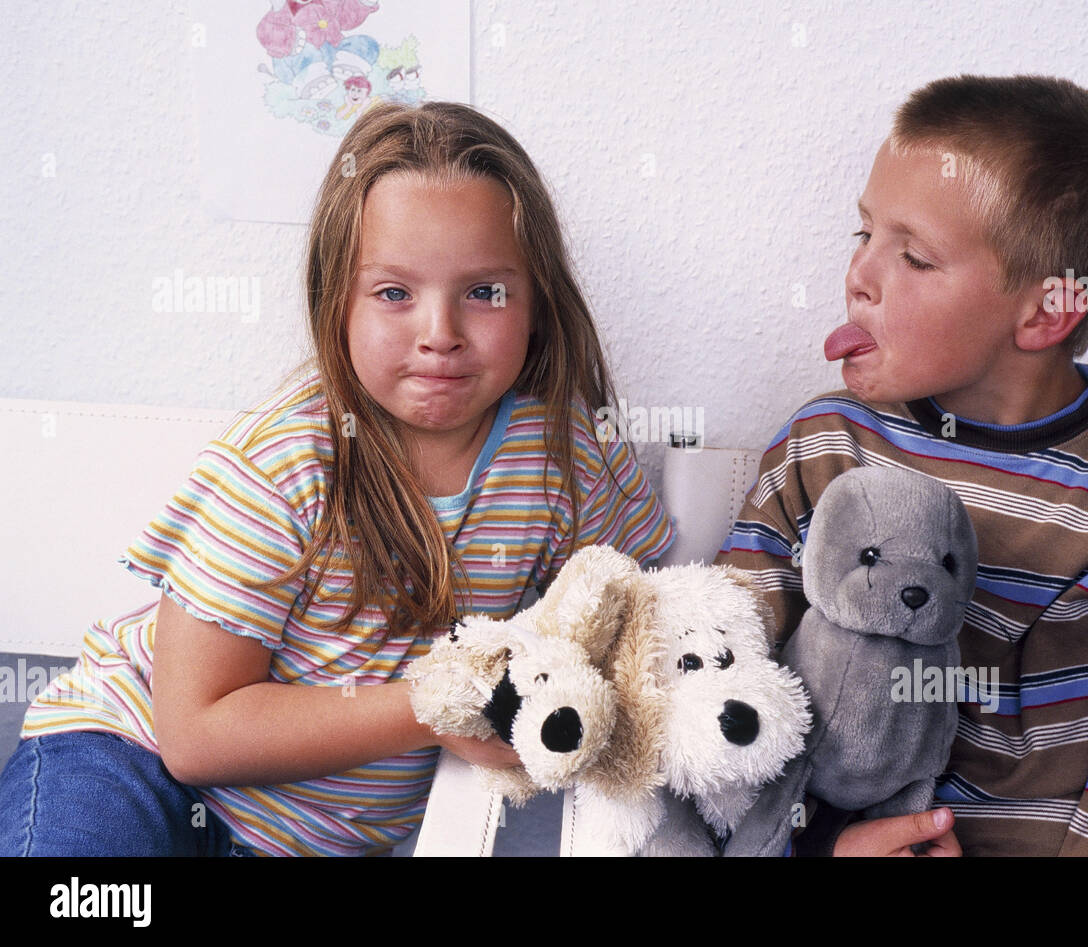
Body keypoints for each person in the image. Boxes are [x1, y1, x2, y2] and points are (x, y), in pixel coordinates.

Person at [0, 101, 675, 856]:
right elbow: (190, 733)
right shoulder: (284, 462)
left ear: (538, 304)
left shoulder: (563, 454)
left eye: (485, 291)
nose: (440, 332)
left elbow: (644, 608)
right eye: (394, 293)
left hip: (310, 841)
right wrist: (435, 708)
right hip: (134, 759)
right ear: (337, 302)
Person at [715, 74, 1088, 857]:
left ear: (1046, 312)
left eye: (914, 256)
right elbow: (723, 686)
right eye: (864, 235)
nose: (861, 275)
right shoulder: (823, 447)